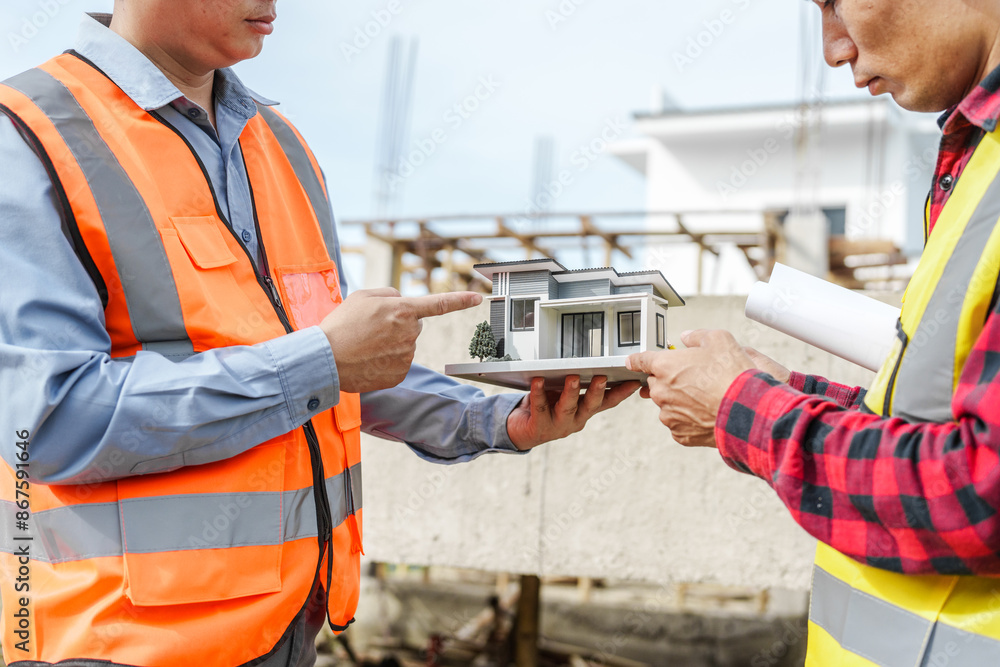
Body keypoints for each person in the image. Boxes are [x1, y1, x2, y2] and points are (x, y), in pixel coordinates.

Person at [0, 4, 639, 666]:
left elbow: (331, 362)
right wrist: (323, 360)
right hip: (116, 642)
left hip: (287, 632)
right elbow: (46, 424)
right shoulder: (27, 135)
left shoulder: (281, 146)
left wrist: (501, 418)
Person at [628, 1, 1000, 664]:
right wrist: (777, 389)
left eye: (833, 1)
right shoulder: (977, 162)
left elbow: (978, 492)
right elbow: (926, 424)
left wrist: (742, 408)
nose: (832, 49)